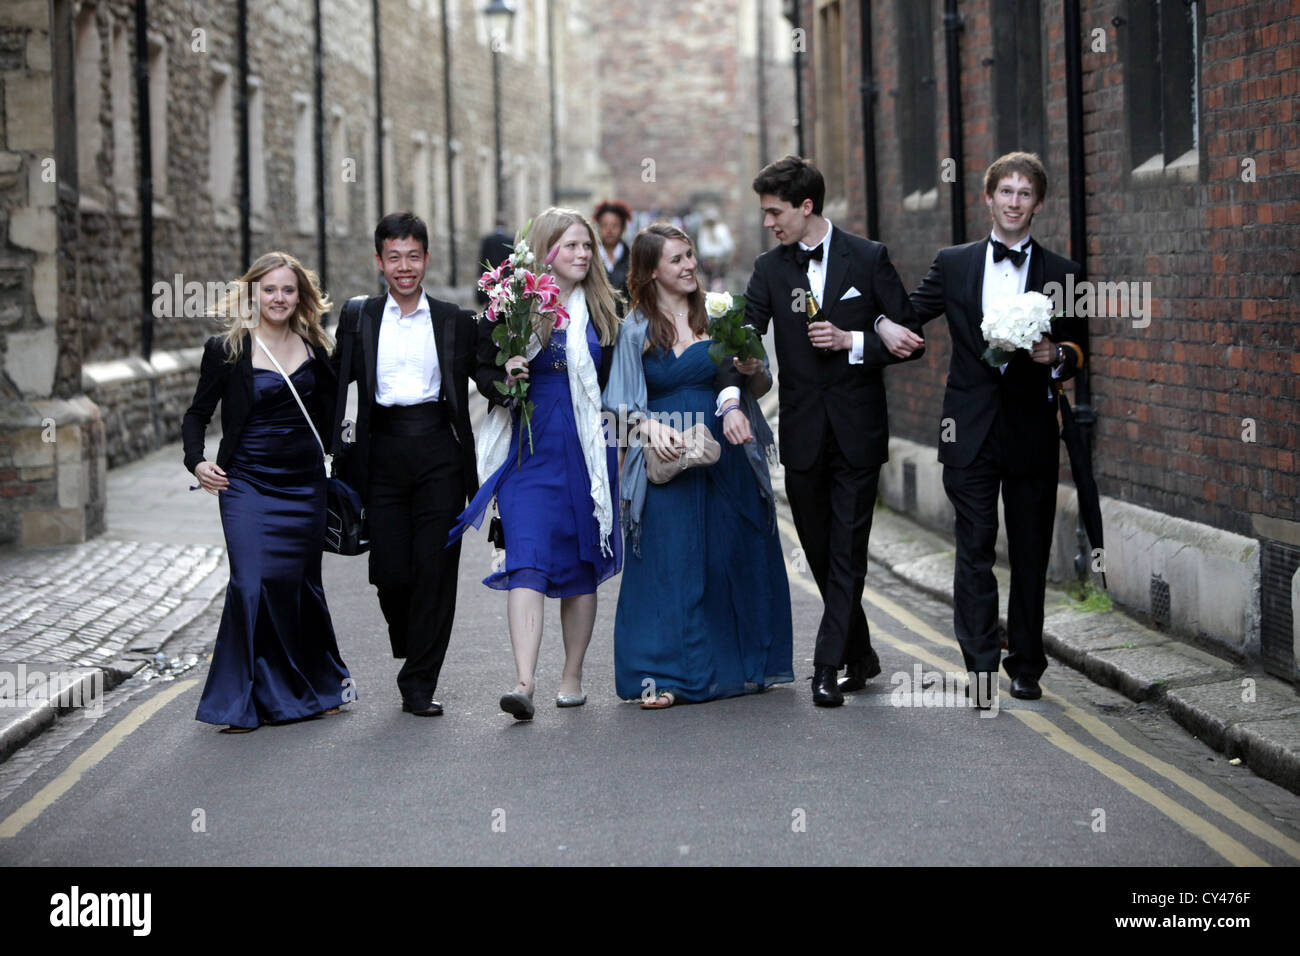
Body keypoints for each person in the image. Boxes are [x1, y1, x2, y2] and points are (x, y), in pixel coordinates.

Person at [722, 155, 926, 708]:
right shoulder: (769, 270)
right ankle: (861, 654)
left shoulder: (868, 257)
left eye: (774, 211)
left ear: (805, 206)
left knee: (848, 552)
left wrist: (854, 341)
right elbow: (745, 329)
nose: (768, 222)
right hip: (805, 433)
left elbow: (911, 335)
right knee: (817, 548)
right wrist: (737, 368)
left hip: (858, 432)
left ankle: (825, 664)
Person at [904, 151, 1085, 707]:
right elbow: (911, 313)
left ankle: (1026, 663)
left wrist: (1056, 354)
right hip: (969, 429)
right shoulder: (954, 263)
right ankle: (981, 665)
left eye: (1024, 194)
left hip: (1031, 427)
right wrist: (865, 323)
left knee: (1030, 553)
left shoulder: (1062, 273)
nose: (1013, 202)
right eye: (1004, 192)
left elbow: (1080, 350)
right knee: (974, 548)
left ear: (1037, 203)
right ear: (988, 198)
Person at [603, 224, 794, 709]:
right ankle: (661, 676)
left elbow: (761, 384)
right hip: (666, 462)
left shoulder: (722, 313)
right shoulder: (636, 330)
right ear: (649, 273)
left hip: (724, 454)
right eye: (676, 260)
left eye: (689, 255)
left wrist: (755, 372)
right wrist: (647, 428)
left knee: (723, 556)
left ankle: (732, 668)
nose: (689, 265)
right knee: (668, 563)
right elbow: (616, 409)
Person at [450, 207, 623, 720]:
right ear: (546, 251)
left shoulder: (605, 310)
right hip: (527, 446)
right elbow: (480, 369)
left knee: (580, 563)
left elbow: (619, 383)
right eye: (571, 246)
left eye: (586, 246)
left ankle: (571, 675)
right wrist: (505, 372)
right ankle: (524, 681)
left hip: (585, 446)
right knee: (525, 555)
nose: (582, 254)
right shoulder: (511, 306)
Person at [183, 252, 351, 732]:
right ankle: (242, 701)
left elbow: (334, 410)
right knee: (250, 583)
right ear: (253, 292)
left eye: (289, 290)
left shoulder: (316, 345)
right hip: (247, 483)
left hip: (303, 485)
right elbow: (197, 414)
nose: (279, 298)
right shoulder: (227, 349)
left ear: (302, 297)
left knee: (299, 586)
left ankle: (319, 687)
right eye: (270, 289)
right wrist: (197, 459)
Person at [332, 212, 479, 718]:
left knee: (435, 570)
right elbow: (328, 382)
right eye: (393, 257)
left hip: (440, 453)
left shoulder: (454, 320)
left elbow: (489, 375)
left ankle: (419, 680)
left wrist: (514, 371)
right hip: (383, 455)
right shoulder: (359, 319)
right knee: (391, 573)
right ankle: (410, 642)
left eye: (413, 256)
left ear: (426, 259)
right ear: (379, 262)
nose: (404, 267)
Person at [594, 199, 633, 297]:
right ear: (598, 227)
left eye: (615, 225)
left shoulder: (633, 260)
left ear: (623, 228)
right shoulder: (590, 258)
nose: (609, 230)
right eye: (604, 225)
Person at [476, 216, 514, 307]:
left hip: (490, 275)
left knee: (490, 302)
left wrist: (480, 275)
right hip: (504, 276)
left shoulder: (487, 240)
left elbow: (483, 258)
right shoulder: (509, 240)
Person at [696, 207, 735, 291]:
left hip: (719, 260)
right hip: (707, 260)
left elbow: (728, 245)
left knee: (718, 282)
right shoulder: (704, 229)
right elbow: (702, 246)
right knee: (708, 281)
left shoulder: (721, 228)